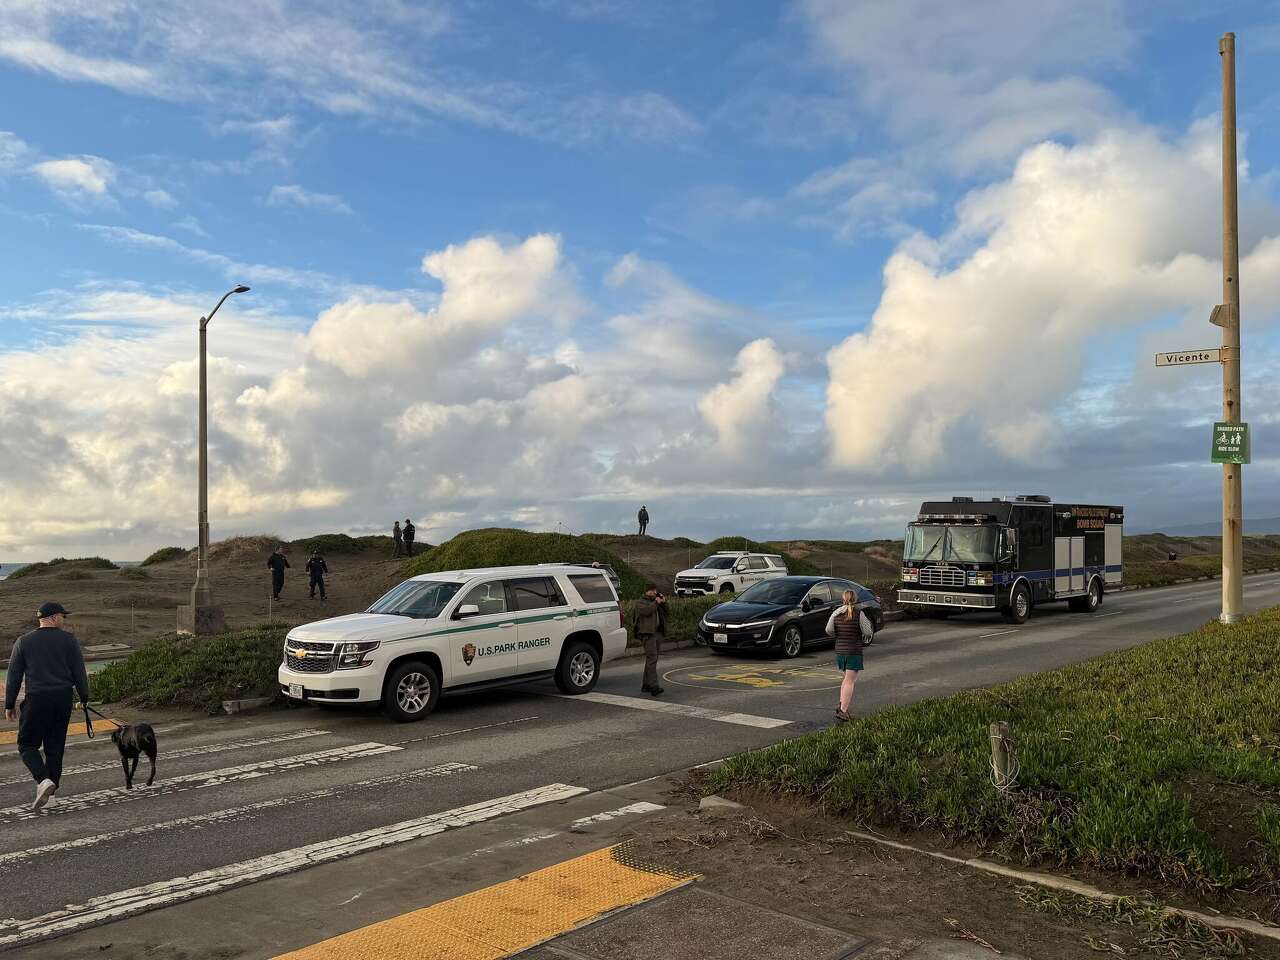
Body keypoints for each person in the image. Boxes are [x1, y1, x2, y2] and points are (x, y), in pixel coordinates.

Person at [4, 602, 89, 811]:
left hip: (37, 699)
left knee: (26, 745)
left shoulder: (23, 642)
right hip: (62, 699)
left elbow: (13, 676)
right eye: (63, 616)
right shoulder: (69, 640)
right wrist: (84, 698)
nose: (64, 620)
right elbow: (79, 672)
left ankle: (43, 781)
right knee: (55, 748)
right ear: (53, 617)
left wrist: (9, 704)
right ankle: (51, 796)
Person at [825, 589, 867, 724]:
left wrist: (839, 635)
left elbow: (828, 630)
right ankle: (843, 710)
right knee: (850, 681)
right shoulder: (859, 614)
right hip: (853, 651)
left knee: (846, 679)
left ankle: (842, 705)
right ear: (855, 599)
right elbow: (867, 630)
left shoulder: (836, 613)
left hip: (840, 650)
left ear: (843, 599)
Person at [631, 584, 667, 697]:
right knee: (652, 658)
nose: (654, 592)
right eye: (652, 590)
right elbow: (646, 611)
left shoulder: (656, 602)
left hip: (657, 632)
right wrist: (656, 602)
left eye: (655, 590)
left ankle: (646, 684)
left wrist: (664, 602)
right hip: (647, 634)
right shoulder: (641, 602)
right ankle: (654, 686)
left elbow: (668, 612)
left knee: (652, 659)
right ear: (646, 591)